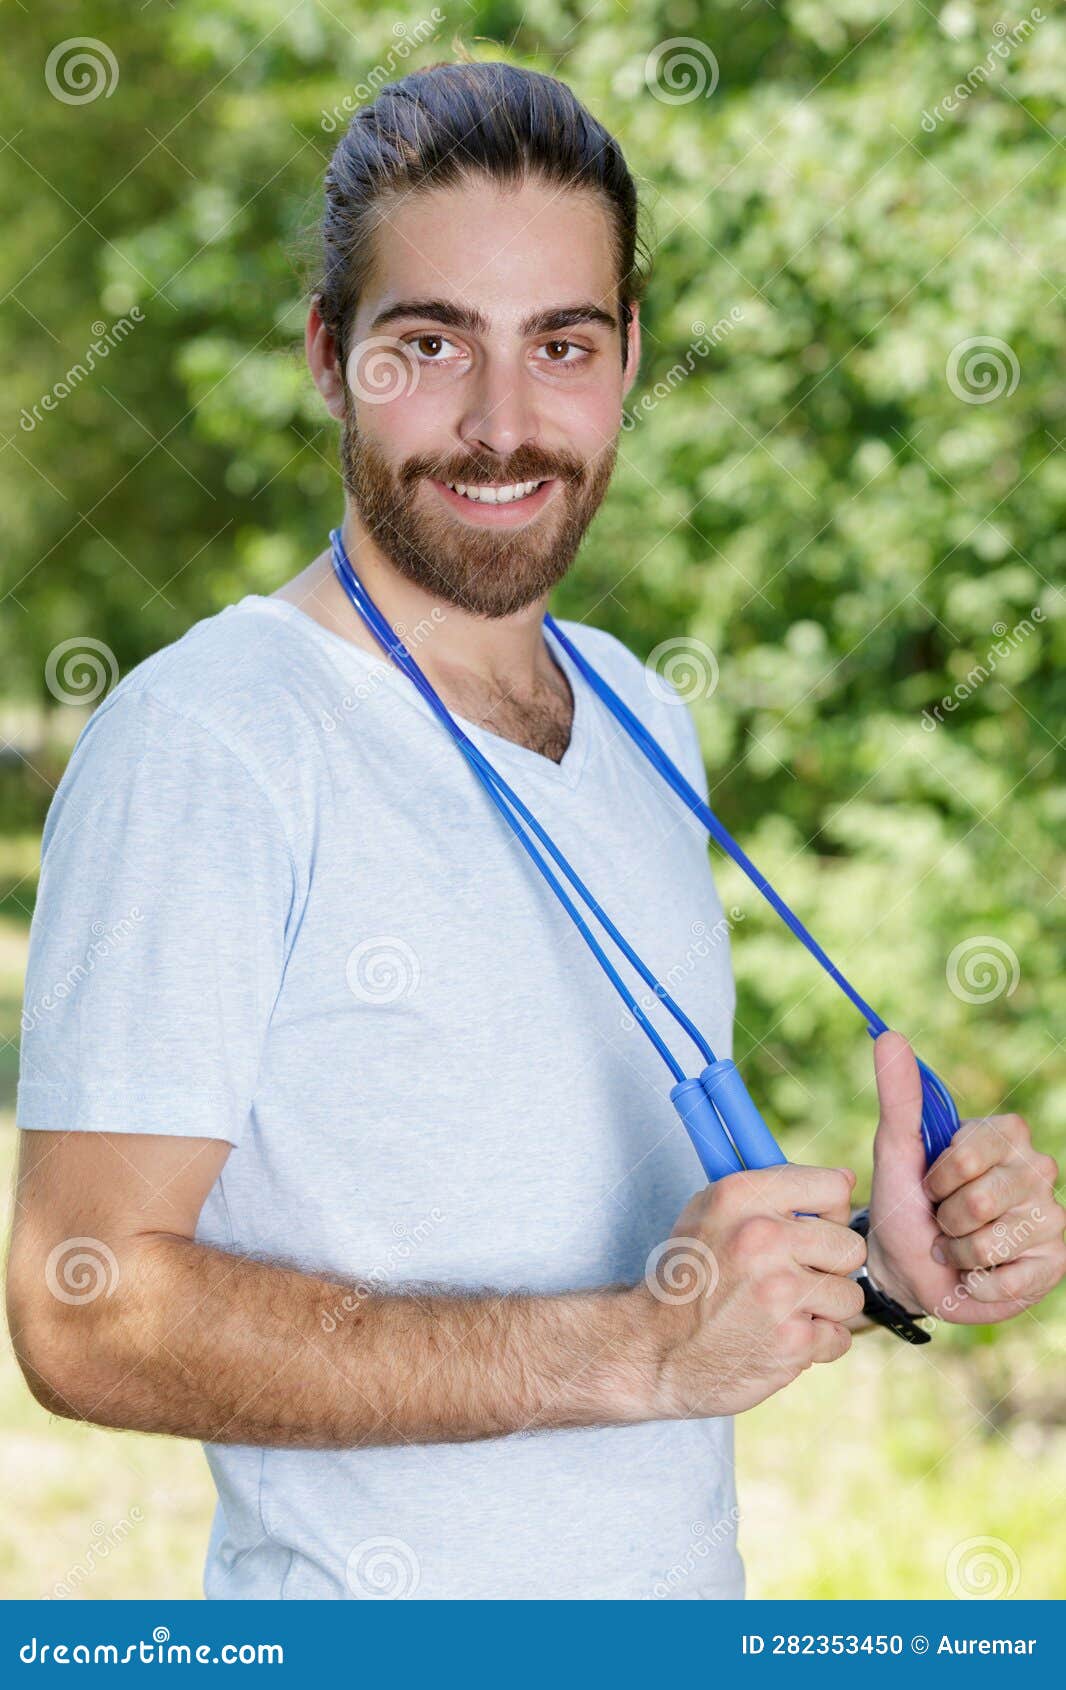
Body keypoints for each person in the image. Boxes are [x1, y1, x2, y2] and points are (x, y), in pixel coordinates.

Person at [8, 61, 1063, 1602]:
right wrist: (637, 1349)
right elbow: (79, 1307)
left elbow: (602, 1237)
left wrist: (876, 1260)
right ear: (326, 355)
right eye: (430, 343)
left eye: (560, 345)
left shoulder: (639, 708)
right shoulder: (213, 741)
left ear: (629, 357)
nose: (502, 427)